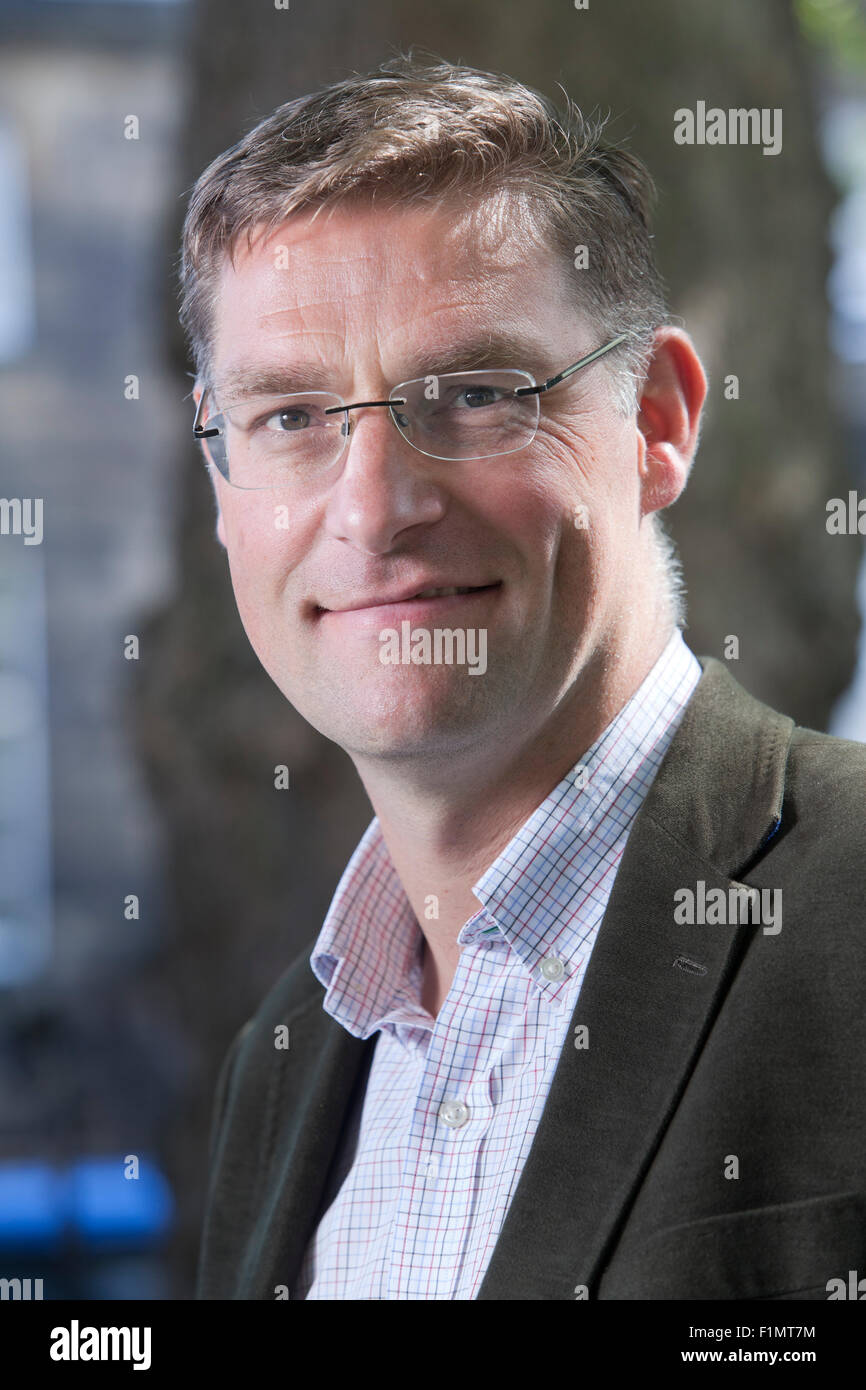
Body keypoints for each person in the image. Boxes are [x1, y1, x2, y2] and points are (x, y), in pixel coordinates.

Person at [180, 55, 866, 1300]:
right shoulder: (276, 1069)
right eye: (290, 416)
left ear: (656, 420)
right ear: (222, 479)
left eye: (478, 394)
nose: (376, 510)